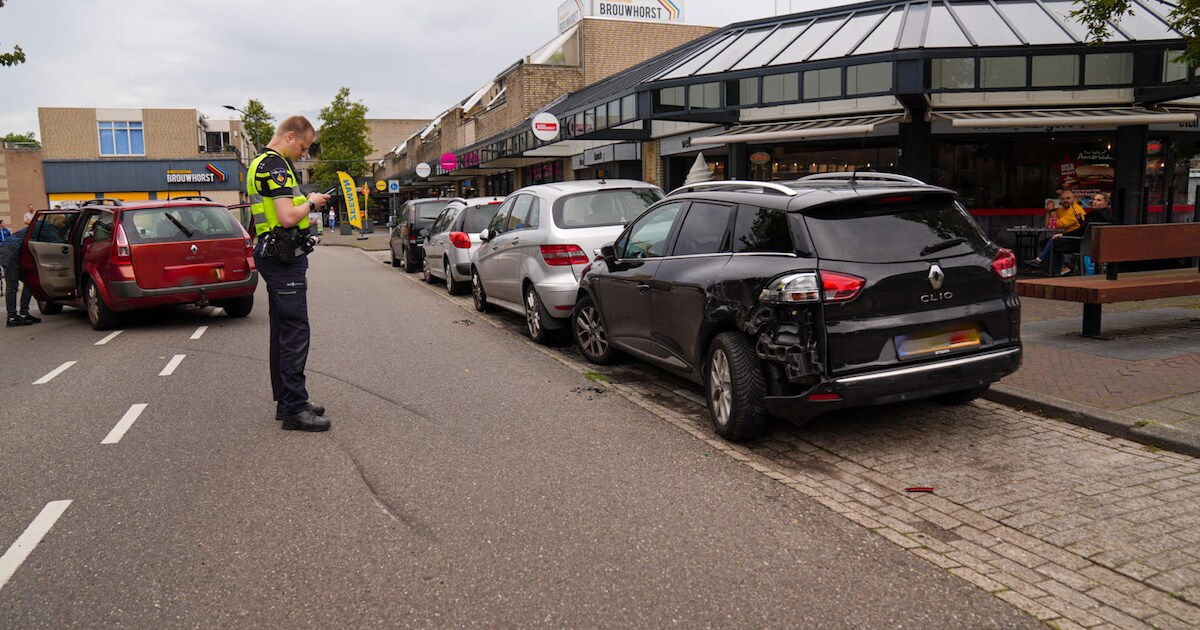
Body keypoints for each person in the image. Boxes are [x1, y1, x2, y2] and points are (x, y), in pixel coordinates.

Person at [247, 115, 331, 432]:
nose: (304, 155)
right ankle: (295, 409)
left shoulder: (260, 162)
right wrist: (311, 202)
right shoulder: (276, 166)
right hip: (282, 257)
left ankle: (288, 400)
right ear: (290, 136)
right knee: (295, 333)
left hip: (274, 254)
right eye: (304, 148)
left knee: (283, 332)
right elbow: (285, 217)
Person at [1025, 188, 1087, 275]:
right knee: (1044, 243)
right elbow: (1048, 225)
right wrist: (1049, 211)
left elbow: (1056, 225)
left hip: (1075, 239)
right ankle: (1059, 269)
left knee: (1054, 242)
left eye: (1068, 198)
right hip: (1066, 237)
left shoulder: (1075, 210)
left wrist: (1052, 210)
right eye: (1063, 199)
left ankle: (1041, 261)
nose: (1065, 201)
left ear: (1073, 199)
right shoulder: (1063, 209)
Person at [0, 212, 42, 327]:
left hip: (9, 253)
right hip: (9, 253)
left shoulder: (33, 229)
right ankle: (12, 317)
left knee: (29, 283)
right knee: (12, 286)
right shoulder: (40, 229)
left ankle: (23, 314)